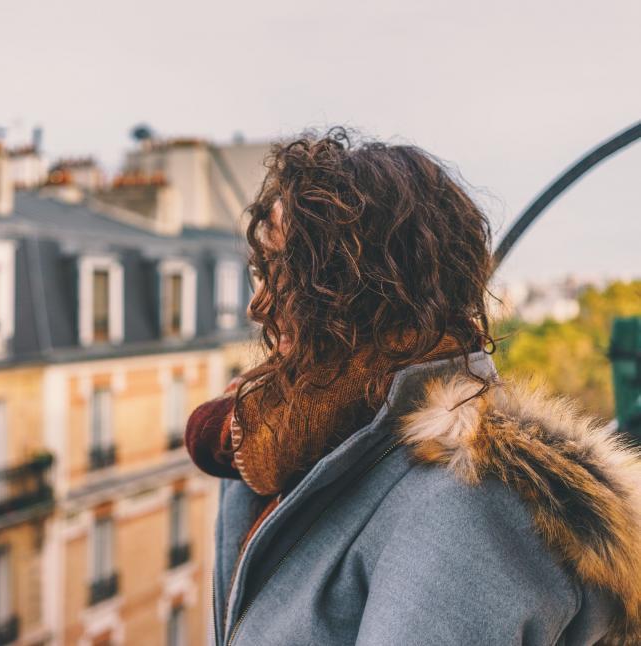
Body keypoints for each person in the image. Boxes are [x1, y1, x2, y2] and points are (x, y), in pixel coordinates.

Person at [186, 129, 641, 645]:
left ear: (357, 292)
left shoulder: (466, 505)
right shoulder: (289, 447)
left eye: (283, 274)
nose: (258, 305)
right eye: (259, 273)